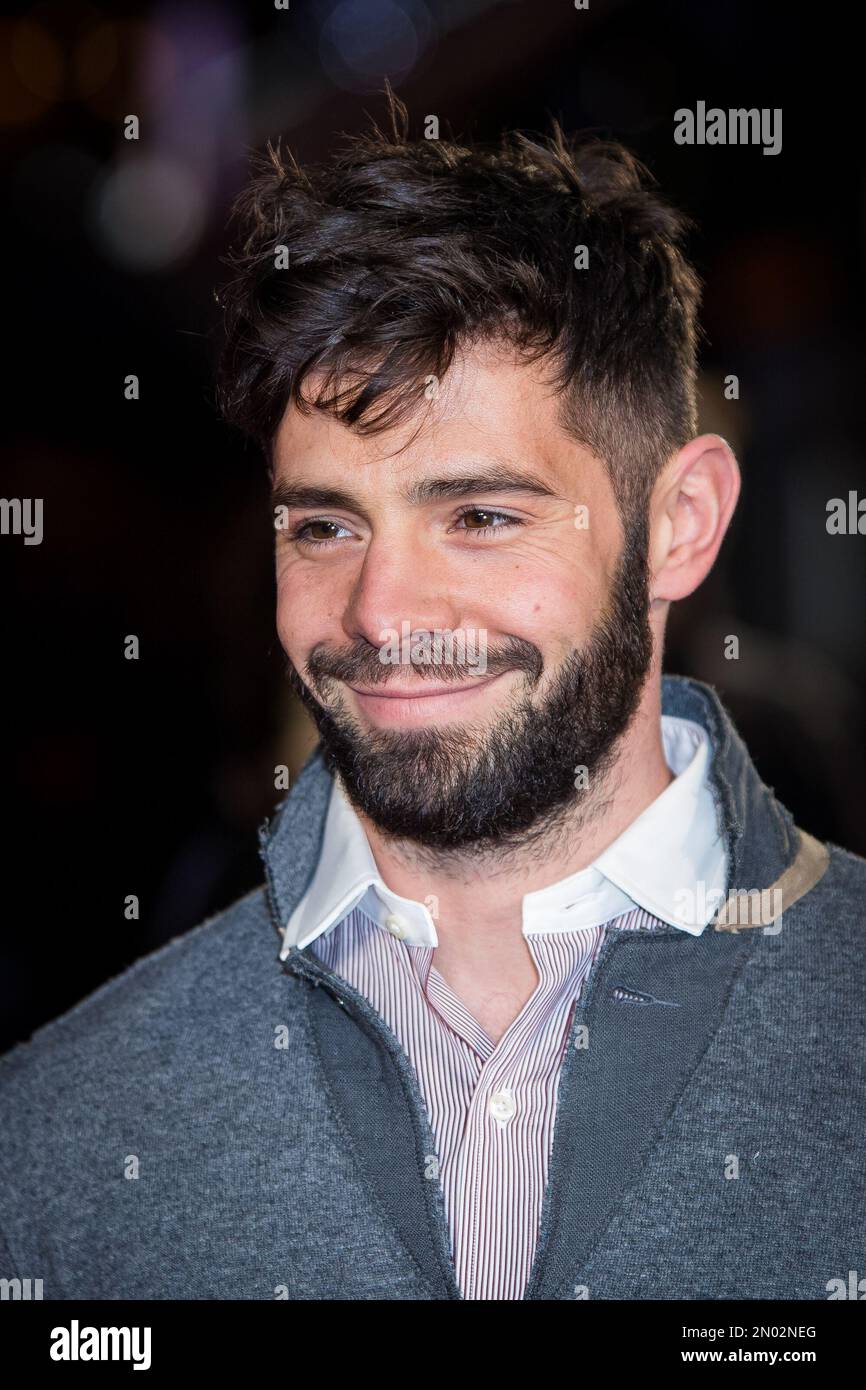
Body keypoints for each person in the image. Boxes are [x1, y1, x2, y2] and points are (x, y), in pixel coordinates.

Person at [1, 93, 863, 1302]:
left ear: (678, 524)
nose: (378, 613)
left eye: (480, 516)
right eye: (324, 524)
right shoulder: (60, 1131)